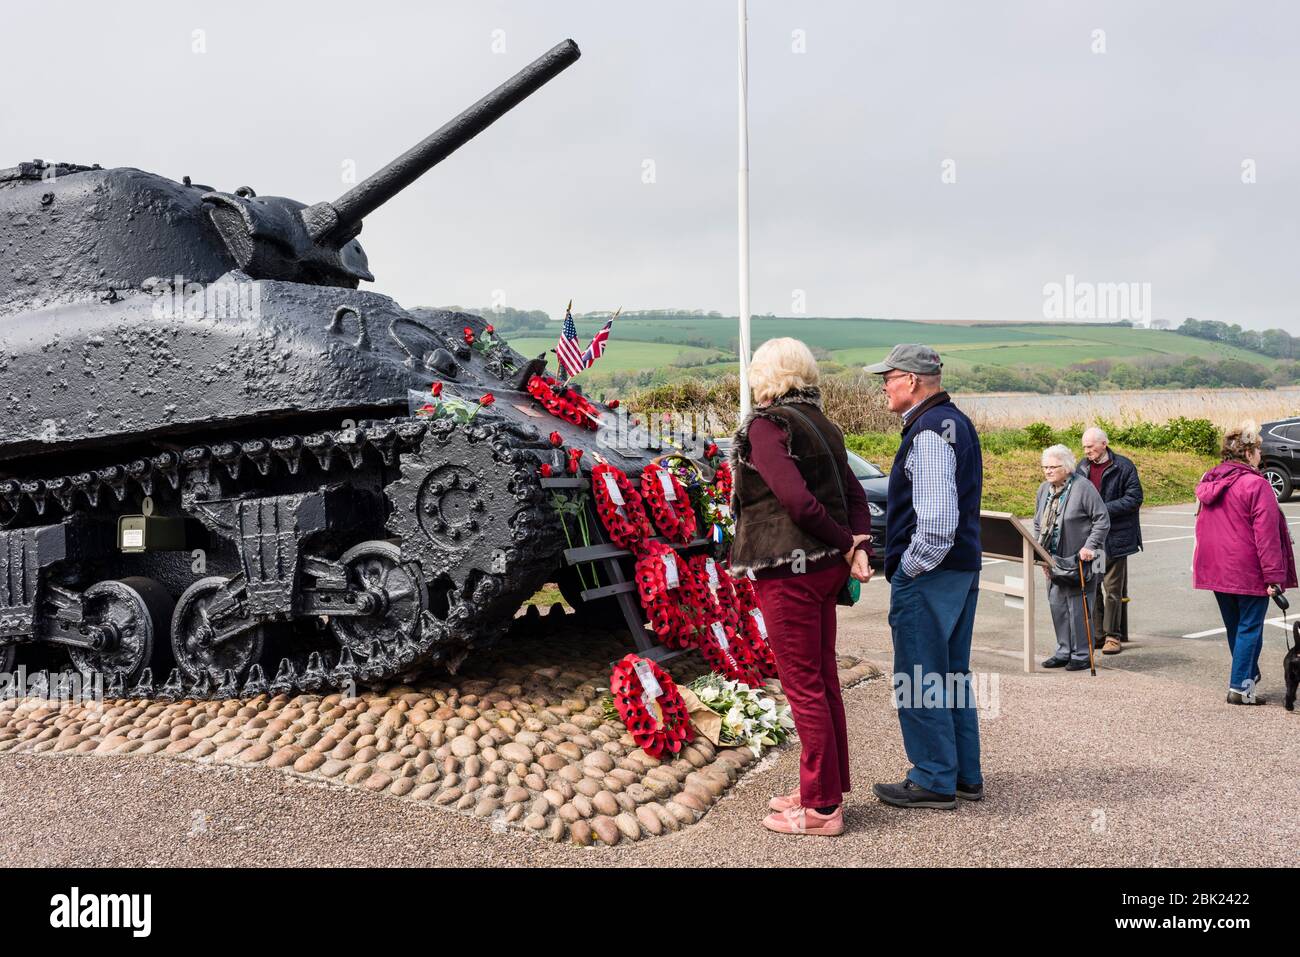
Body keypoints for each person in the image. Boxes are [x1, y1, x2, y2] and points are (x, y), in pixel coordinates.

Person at [729, 337, 873, 836]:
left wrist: (842, 543)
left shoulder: (768, 427)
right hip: (822, 569)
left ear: (767, 375)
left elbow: (798, 503)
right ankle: (822, 787)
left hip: (788, 569)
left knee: (804, 685)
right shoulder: (824, 426)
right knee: (823, 680)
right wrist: (855, 546)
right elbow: (854, 494)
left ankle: (822, 810)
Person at [865, 344, 984, 810]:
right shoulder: (954, 423)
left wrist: (907, 571)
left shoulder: (929, 430)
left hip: (932, 574)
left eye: (889, 377)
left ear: (912, 380)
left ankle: (934, 777)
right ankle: (963, 775)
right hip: (960, 570)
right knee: (952, 675)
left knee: (919, 676)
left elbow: (935, 524)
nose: (884, 386)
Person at [1193, 421, 1297, 705]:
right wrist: (1274, 577)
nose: (1261, 455)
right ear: (1249, 453)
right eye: (1259, 449)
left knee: (1235, 626)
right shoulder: (1256, 484)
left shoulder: (1209, 479)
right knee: (1250, 627)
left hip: (1214, 566)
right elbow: (1266, 536)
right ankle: (1241, 685)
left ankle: (1246, 674)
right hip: (1246, 567)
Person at [1035, 445, 1109, 671]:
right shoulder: (1044, 490)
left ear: (1066, 467)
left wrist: (1090, 546)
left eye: (1052, 467)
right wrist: (1040, 554)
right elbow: (1039, 522)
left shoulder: (1083, 487)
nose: (1047, 471)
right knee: (1057, 605)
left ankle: (1082, 653)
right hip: (1054, 559)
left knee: (1079, 607)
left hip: (1082, 559)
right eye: (1044, 467)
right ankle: (1064, 650)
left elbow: (1102, 520)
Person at [1077, 426, 1143, 654]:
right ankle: (1097, 635)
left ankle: (1113, 636)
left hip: (1116, 539)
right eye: (1084, 447)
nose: (1087, 451)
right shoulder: (1082, 467)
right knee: (1093, 586)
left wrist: (1101, 510)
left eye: (1091, 446)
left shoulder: (1124, 466)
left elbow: (1134, 498)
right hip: (1093, 540)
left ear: (1104, 444)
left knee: (1112, 589)